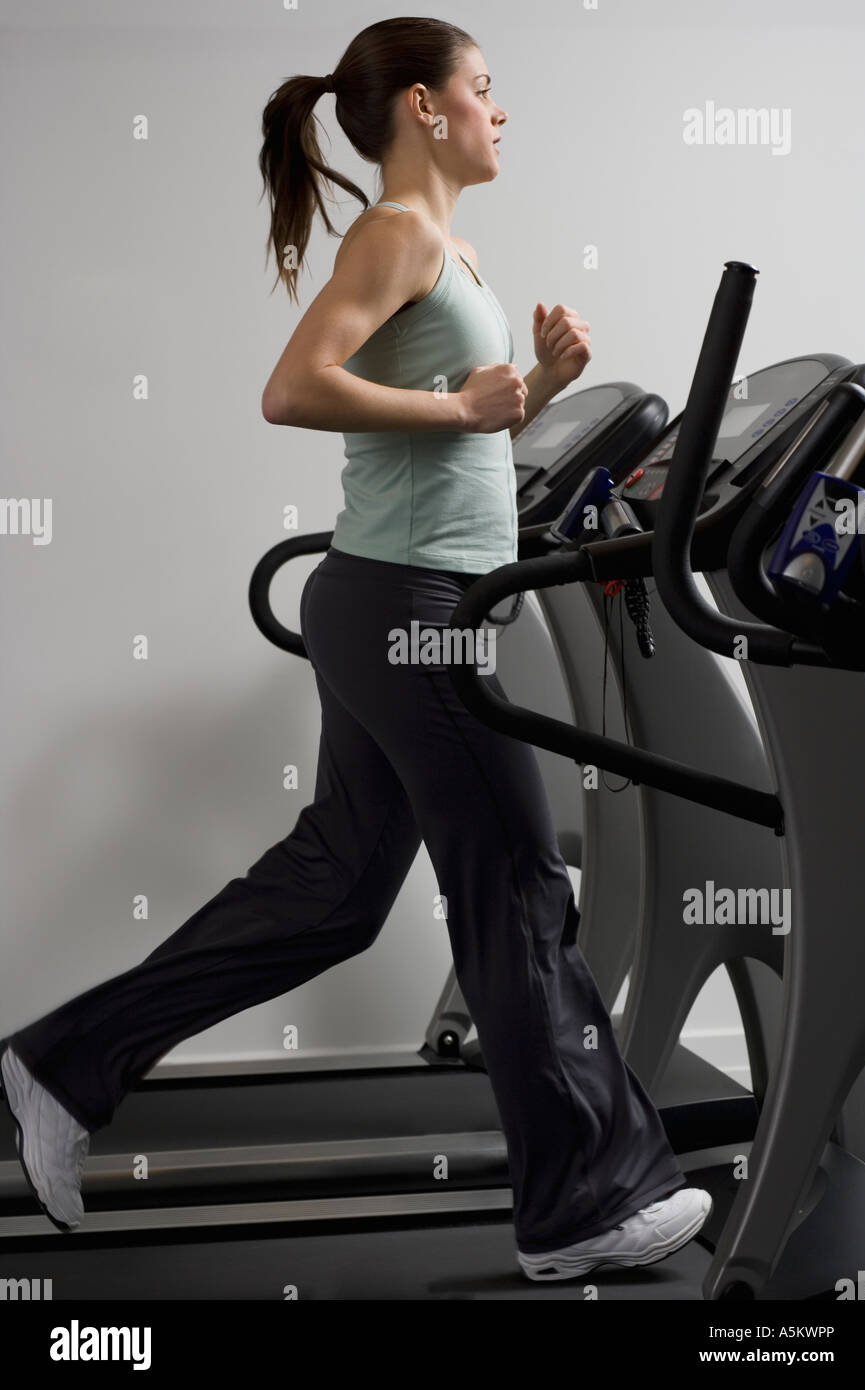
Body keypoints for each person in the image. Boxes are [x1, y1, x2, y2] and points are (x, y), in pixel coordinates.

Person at [0, 15, 710, 1285]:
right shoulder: (401, 234)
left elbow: (444, 439)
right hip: (405, 611)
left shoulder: (451, 252)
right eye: (486, 90)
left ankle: (60, 1064)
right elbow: (291, 387)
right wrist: (463, 401)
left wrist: (532, 391)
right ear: (428, 111)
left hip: (394, 598)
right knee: (511, 885)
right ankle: (580, 1205)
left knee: (334, 891)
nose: (504, 110)